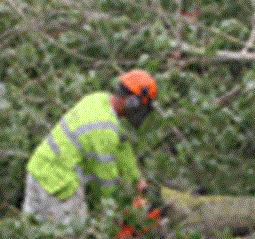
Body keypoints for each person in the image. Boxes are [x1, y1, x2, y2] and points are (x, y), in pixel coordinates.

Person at [22, 69, 157, 228]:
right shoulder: (104, 129)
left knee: (30, 230)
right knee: (74, 231)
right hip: (59, 186)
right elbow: (106, 183)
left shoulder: (99, 99)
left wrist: (136, 180)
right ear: (132, 103)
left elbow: (122, 146)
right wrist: (123, 209)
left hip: (37, 169)